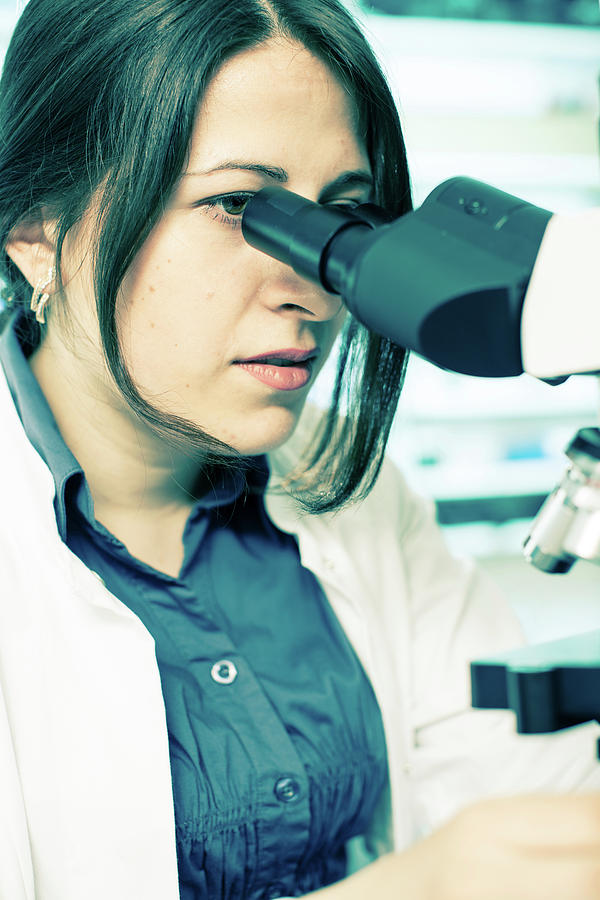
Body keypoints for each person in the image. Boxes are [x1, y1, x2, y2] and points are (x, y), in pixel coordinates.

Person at [0, 1, 599, 899]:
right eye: (239, 205)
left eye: (345, 218)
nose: (311, 293)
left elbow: (529, 802)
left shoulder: (344, 485)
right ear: (39, 233)